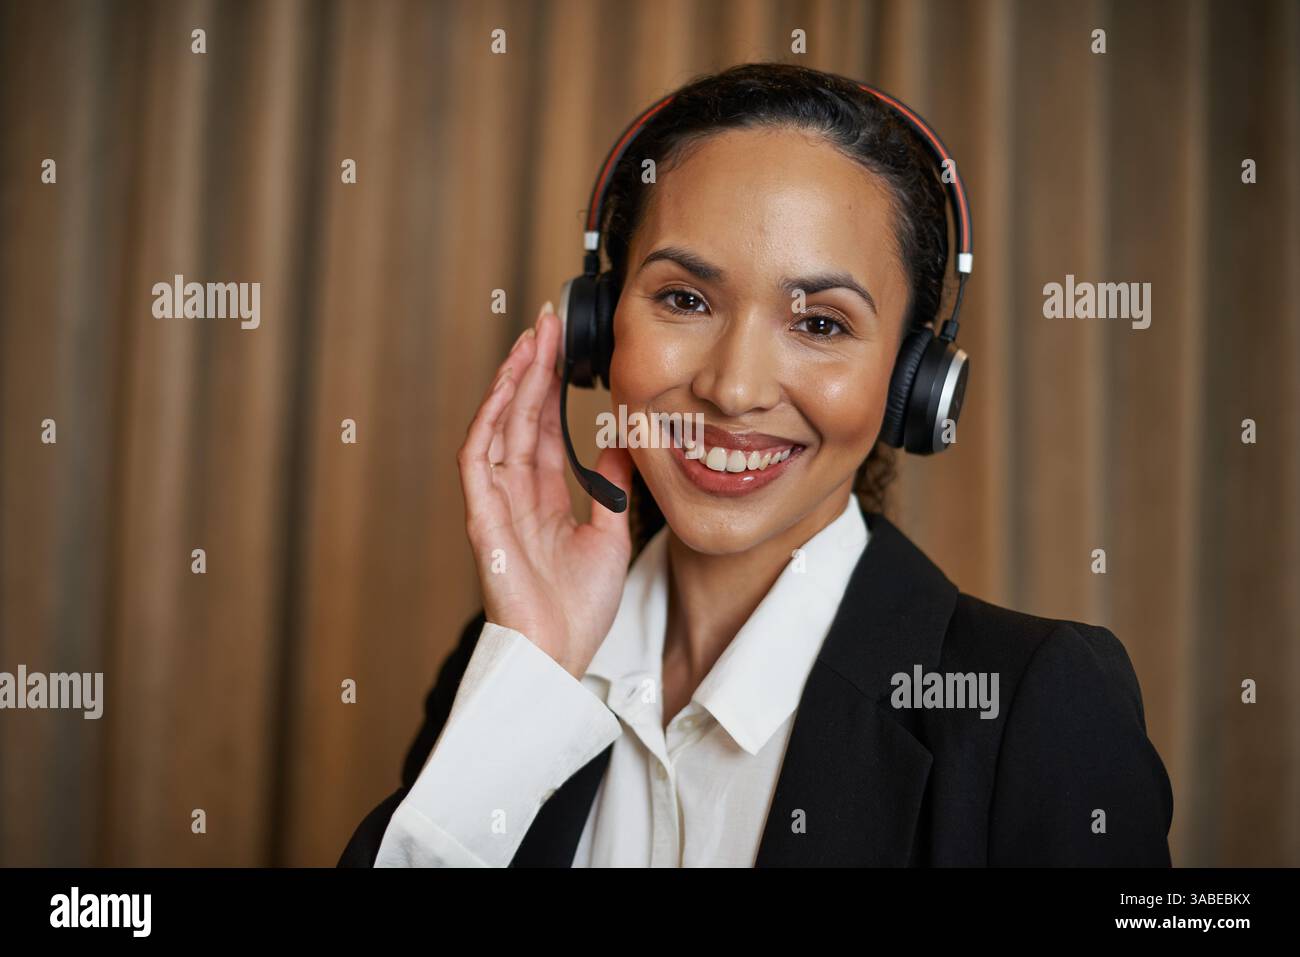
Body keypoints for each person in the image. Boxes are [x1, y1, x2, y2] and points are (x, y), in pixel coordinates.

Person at [339, 63, 1173, 867]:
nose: (733, 389)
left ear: (912, 383)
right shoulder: (516, 665)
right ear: (599, 329)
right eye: (685, 299)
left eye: (821, 324)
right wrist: (531, 682)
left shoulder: (1035, 703)